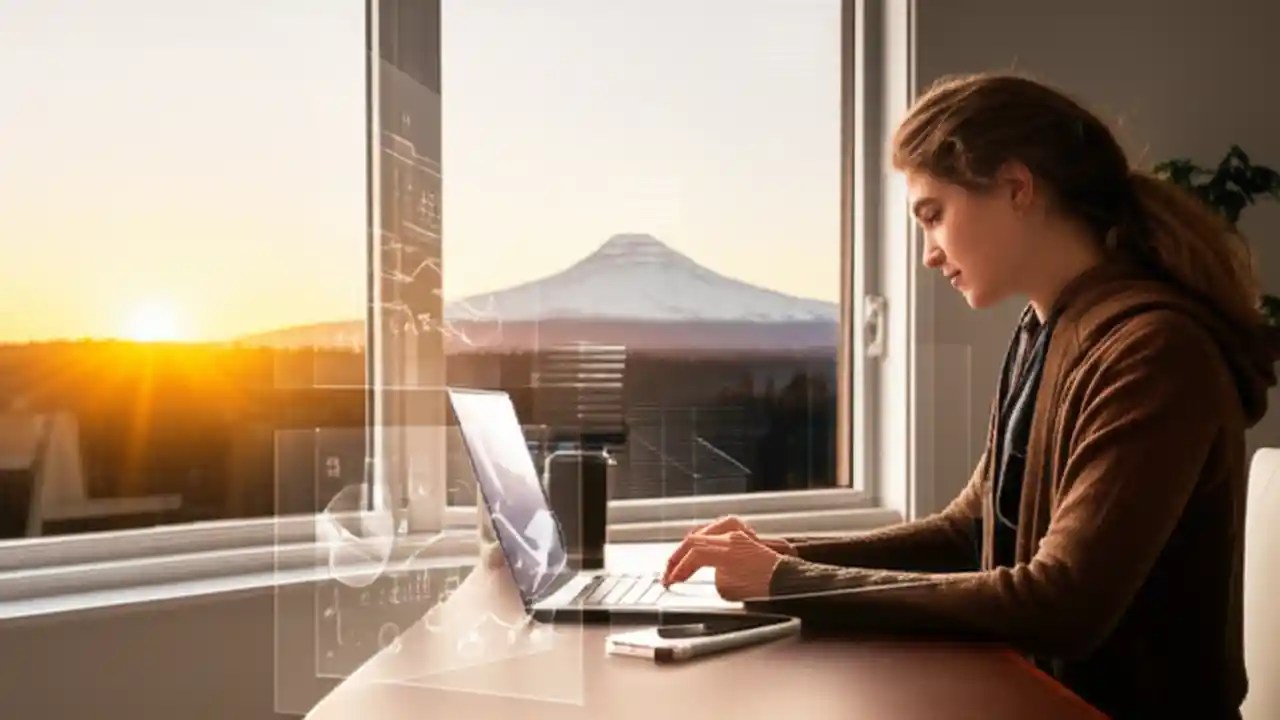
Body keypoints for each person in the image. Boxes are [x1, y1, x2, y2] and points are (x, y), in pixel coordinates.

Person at [661, 72, 1279, 719]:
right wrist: (784, 556)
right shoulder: (1044, 328)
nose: (928, 254)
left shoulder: (1153, 353)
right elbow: (971, 531)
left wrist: (787, 581)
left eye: (933, 216)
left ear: (1016, 188)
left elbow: (1061, 603)